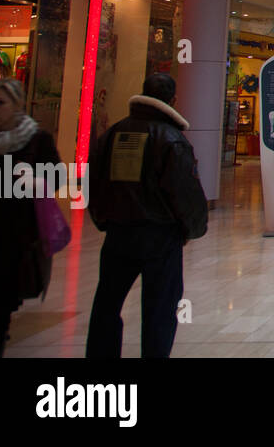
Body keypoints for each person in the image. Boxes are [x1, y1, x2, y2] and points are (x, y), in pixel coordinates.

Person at [86, 73, 209, 358]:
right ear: (173, 100)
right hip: (160, 237)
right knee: (159, 308)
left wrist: (103, 219)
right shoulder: (171, 140)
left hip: (118, 234)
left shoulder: (112, 135)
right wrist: (191, 229)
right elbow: (185, 193)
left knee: (107, 304)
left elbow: (92, 182)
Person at [0, 79, 62, 358]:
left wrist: (31, 177)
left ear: (17, 106)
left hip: (12, 243)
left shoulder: (36, 140)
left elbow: (56, 176)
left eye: (0, 103)